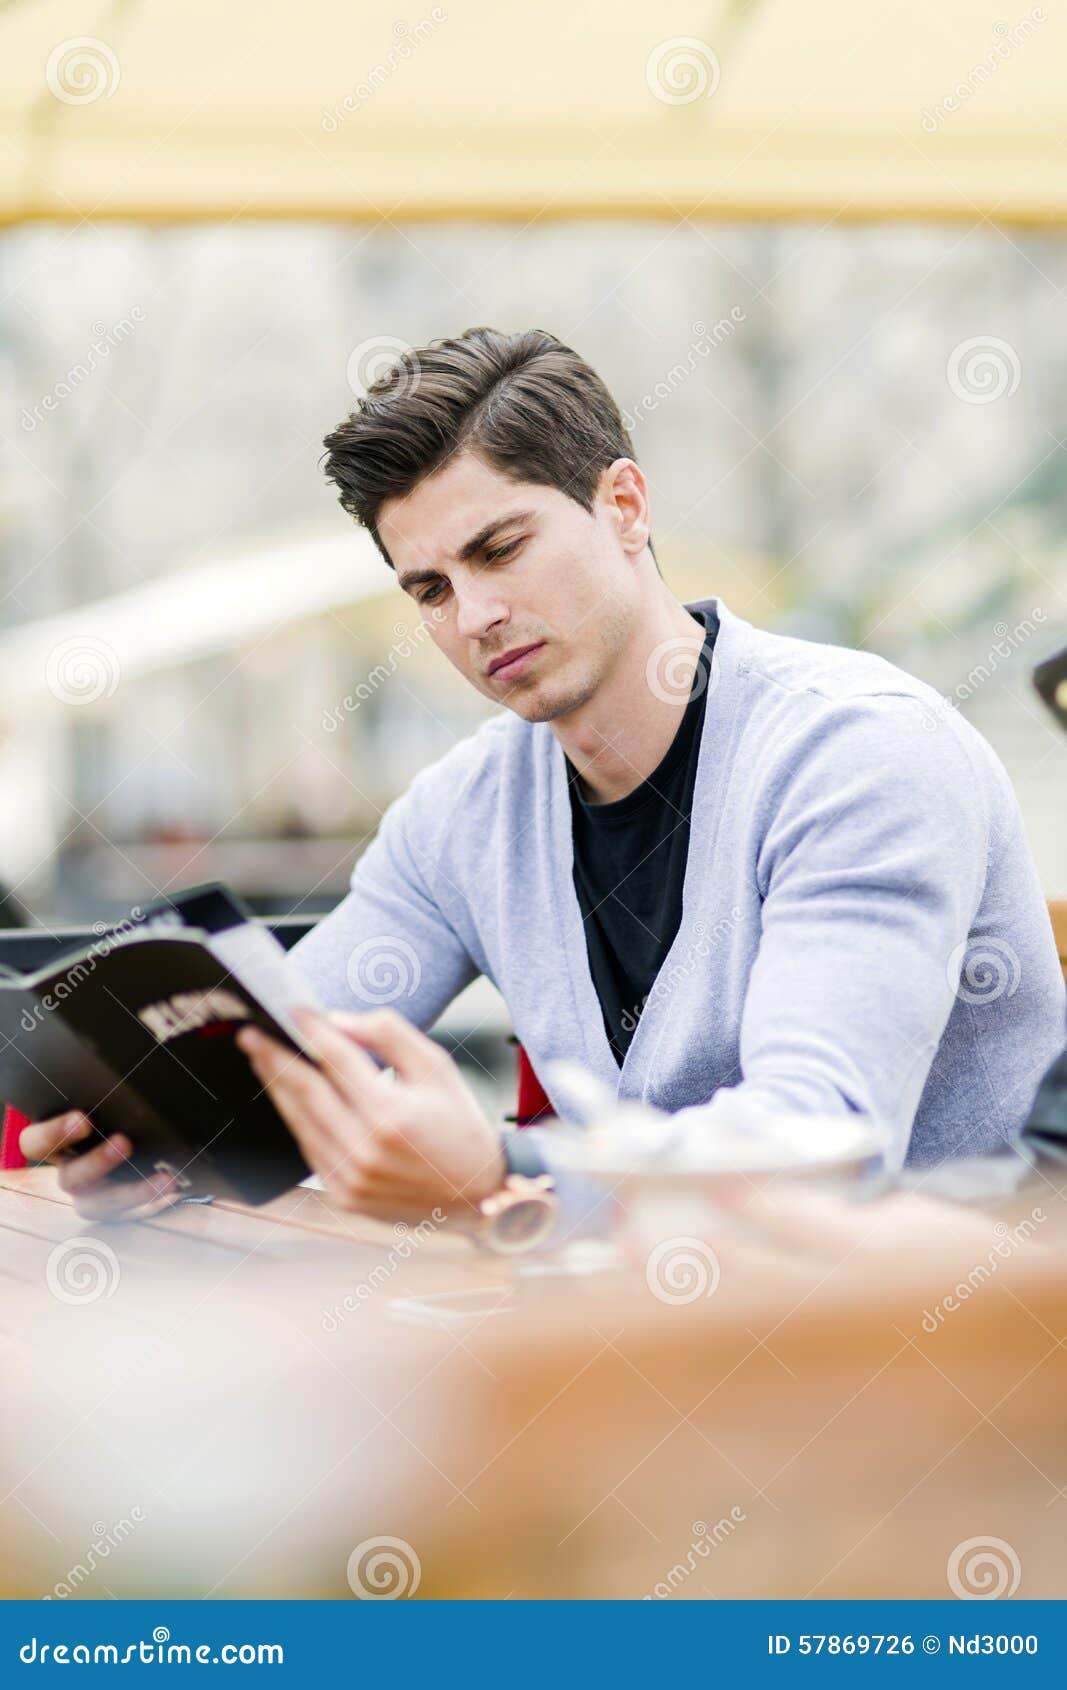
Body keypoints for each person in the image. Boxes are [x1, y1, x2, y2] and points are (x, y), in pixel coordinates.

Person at [22, 327, 1067, 1236]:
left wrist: (496, 1172)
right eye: (429, 587)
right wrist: (163, 1146)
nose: (471, 617)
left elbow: (818, 1140)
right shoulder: (465, 811)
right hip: (660, 1351)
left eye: (500, 548)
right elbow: (298, 1048)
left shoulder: (856, 756)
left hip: (947, 1374)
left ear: (623, 503)